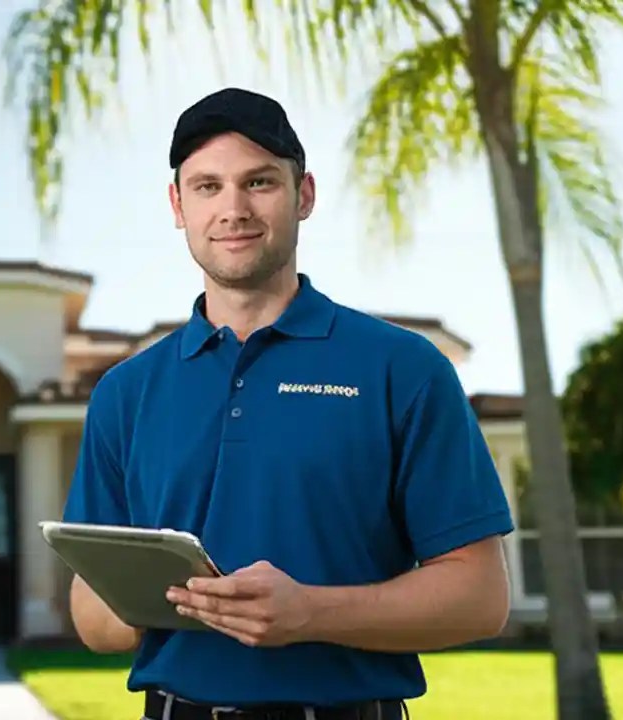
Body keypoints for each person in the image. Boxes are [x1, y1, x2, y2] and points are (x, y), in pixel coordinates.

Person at [61, 87, 515, 720]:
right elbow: (94, 618)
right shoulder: (126, 393)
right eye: (207, 187)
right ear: (177, 205)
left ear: (303, 195)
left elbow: (481, 597)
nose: (233, 209)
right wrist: (177, 598)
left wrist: (310, 613)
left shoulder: (402, 369)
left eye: (260, 182)